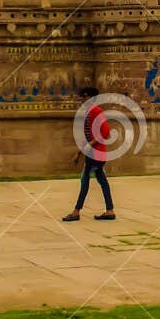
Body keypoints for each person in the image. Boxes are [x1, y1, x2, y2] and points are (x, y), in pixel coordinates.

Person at [64, 86, 115, 221]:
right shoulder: (89, 112)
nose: (83, 99)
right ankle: (110, 210)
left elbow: (105, 132)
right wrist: (80, 152)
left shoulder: (96, 111)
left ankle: (76, 212)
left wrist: (89, 146)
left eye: (85, 96)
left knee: (85, 180)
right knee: (102, 181)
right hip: (93, 153)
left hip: (96, 154)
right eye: (82, 96)